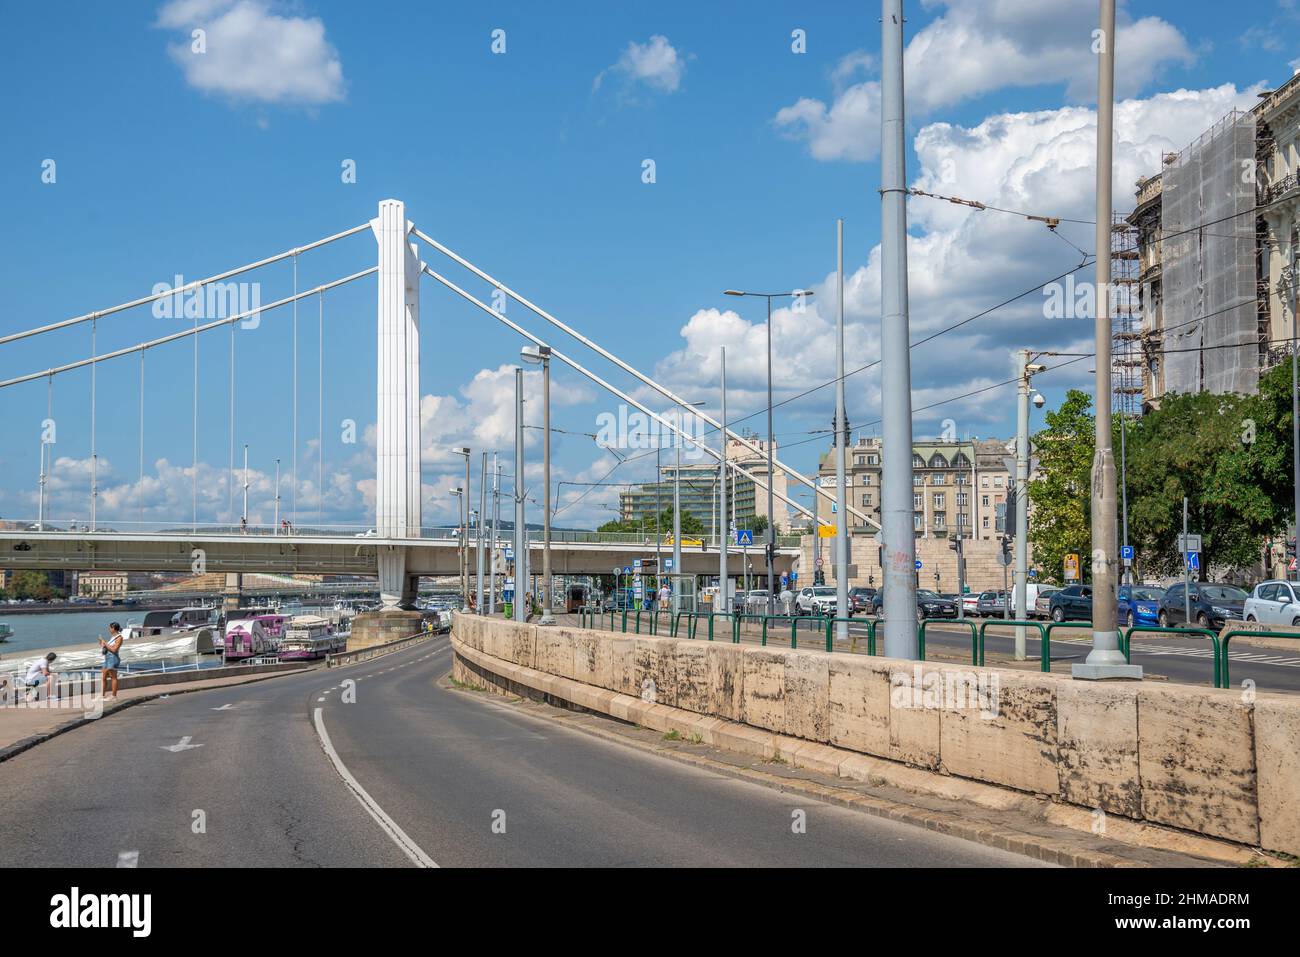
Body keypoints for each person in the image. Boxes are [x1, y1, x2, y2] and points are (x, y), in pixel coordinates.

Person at [99, 622, 124, 699]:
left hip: (113, 658)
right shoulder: (112, 637)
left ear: (113, 628)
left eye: (110, 628)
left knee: (113, 677)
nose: (109, 629)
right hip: (107, 658)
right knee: (103, 677)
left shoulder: (119, 637)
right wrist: (102, 643)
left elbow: (114, 649)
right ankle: (102, 695)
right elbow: (109, 647)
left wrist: (105, 643)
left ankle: (114, 696)